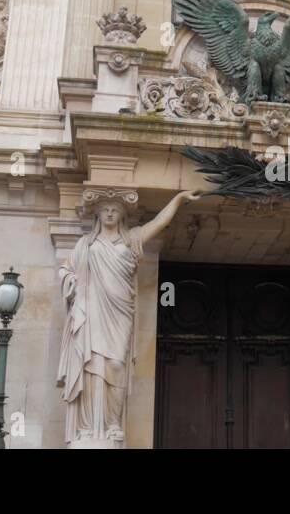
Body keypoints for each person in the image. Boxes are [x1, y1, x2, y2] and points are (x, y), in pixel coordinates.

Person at [57, 190, 199, 445]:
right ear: (98, 214)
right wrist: (71, 282)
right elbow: (66, 270)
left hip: (120, 312)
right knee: (92, 368)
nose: (110, 213)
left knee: (116, 366)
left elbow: (159, 223)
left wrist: (178, 199)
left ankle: (113, 424)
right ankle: (88, 428)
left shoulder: (131, 240)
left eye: (115, 210)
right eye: (105, 210)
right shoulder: (85, 245)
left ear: (122, 215)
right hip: (92, 310)